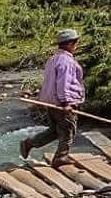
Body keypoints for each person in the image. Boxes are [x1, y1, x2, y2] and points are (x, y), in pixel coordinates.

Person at [20, 29, 85, 167]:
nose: (77, 45)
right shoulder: (66, 61)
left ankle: (29, 143)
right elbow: (64, 83)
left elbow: (49, 82)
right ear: (70, 44)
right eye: (76, 42)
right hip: (62, 103)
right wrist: (67, 102)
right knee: (68, 129)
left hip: (51, 102)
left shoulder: (53, 59)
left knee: (55, 130)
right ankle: (61, 157)